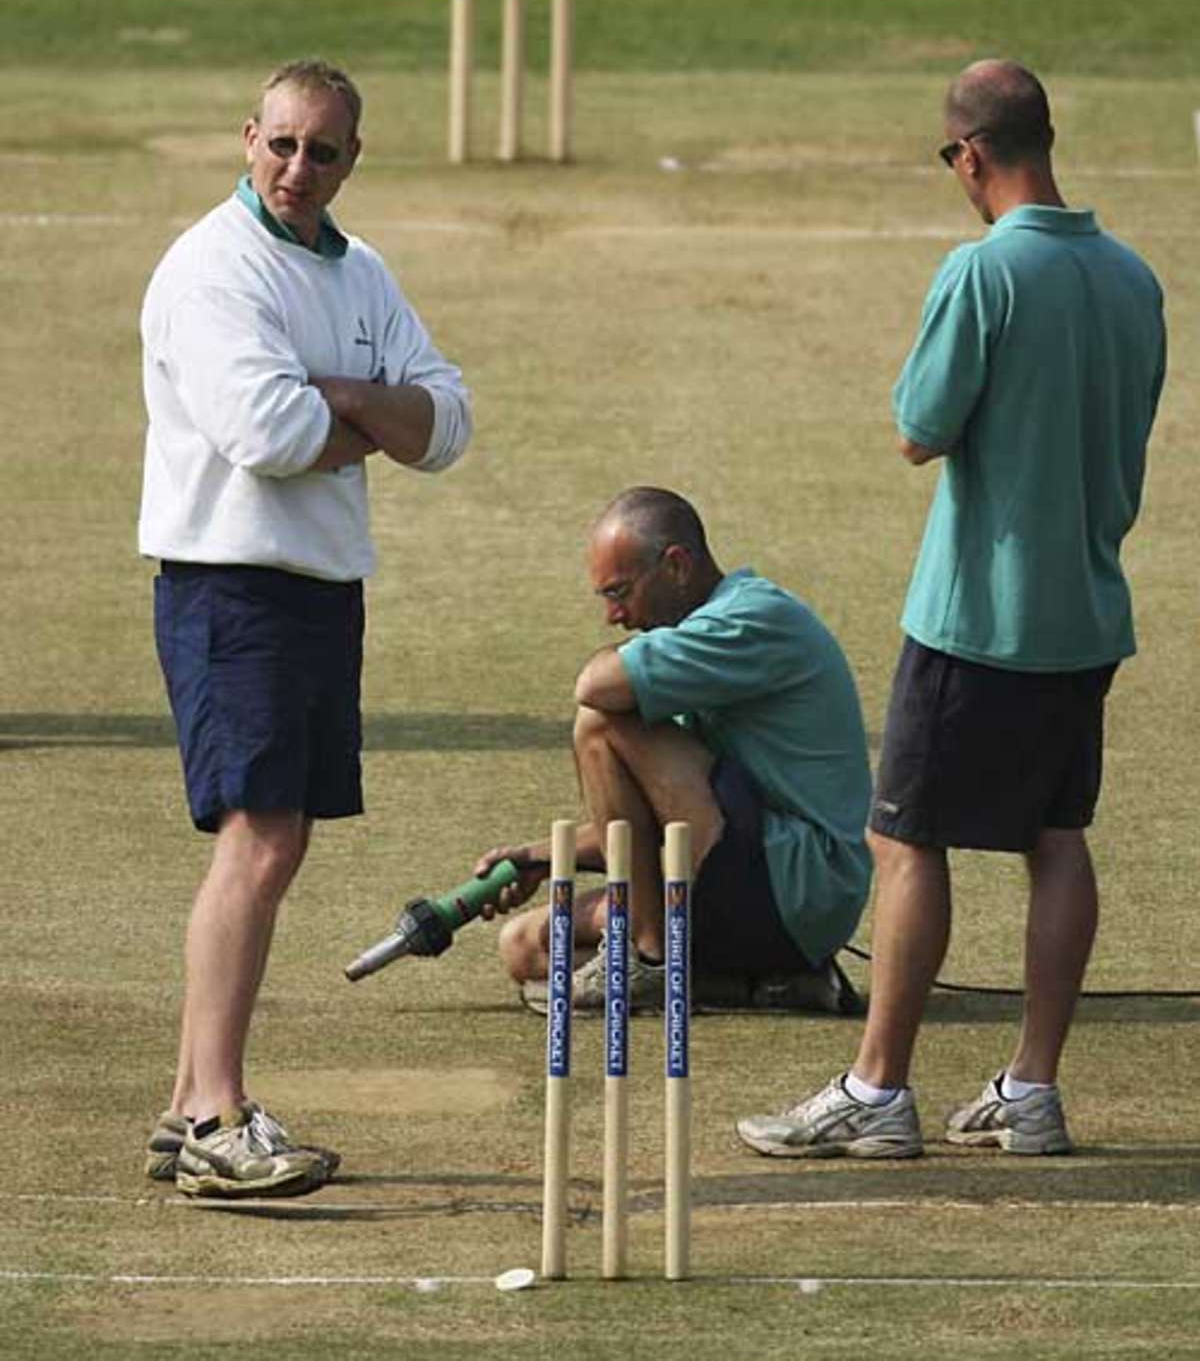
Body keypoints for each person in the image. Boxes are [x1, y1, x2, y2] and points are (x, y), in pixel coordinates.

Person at [738, 59, 1166, 1161]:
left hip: (978, 615)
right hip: (1086, 612)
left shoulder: (982, 275)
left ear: (970, 155)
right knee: (1055, 836)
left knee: (904, 836)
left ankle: (878, 1089)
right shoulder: (1134, 279)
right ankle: (1032, 1087)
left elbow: (919, 425)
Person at [138, 59, 472, 1197]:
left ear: (350, 158)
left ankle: (191, 1102)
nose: (297, 168)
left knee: (275, 838)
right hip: (232, 581)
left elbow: (450, 418)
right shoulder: (212, 268)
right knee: (262, 836)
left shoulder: (361, 270)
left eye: (322, 151)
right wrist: (361, 409)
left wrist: (350, 401)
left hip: (319, 586)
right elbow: (268, 432)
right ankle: (216, 1110)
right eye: (281, 144)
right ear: (248, 137)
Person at [476, 487, 872, 1014]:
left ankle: (651, 959)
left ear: (677, 566)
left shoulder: (749, 619)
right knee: (526, 946)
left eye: (620, 592)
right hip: (749, 878)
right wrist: (541, 857)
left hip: (793, 892)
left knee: (601, 721)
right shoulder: (694, 641)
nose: (613, 615)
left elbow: (595, 687)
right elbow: (665, 814)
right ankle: (769, 984)